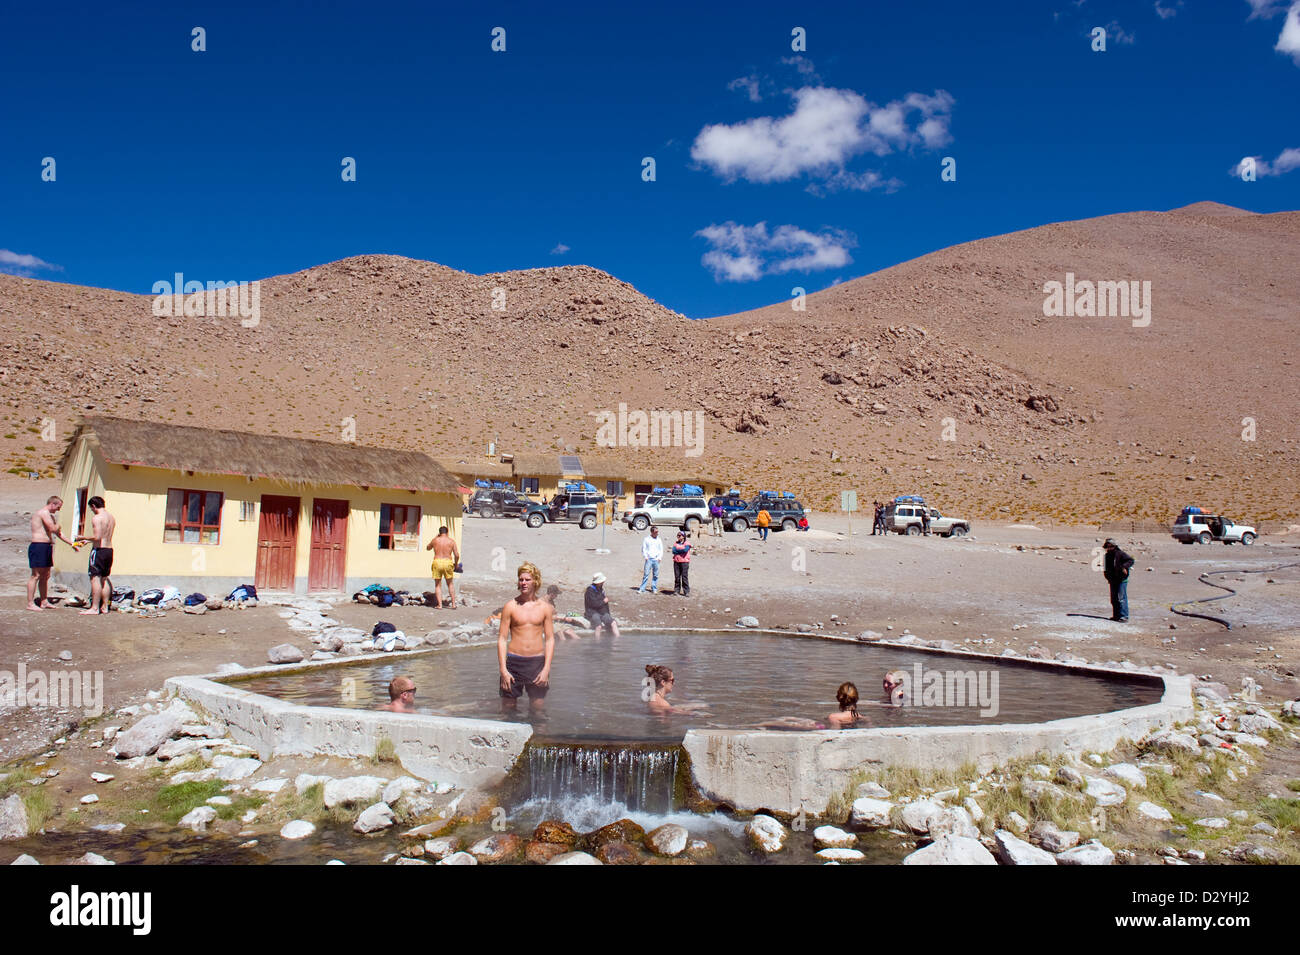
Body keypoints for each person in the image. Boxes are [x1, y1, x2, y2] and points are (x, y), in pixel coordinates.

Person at [498, 561, 555, 710]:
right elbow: (502, 639)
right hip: (513, 663)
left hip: (536, 663)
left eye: (527, 579)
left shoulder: (545, 608)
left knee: (538, 713)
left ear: (535, 581)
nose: (523, 583)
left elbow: (549, 639)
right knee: (508, 712)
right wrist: (503, 670)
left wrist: (546, 670)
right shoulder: (510, 606)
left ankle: (538, 735)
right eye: (521, 579)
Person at [27, 495, 75, 611]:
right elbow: (54, 529)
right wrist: (58, 525)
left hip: (47, 546)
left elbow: (58, 533)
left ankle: (44, 601)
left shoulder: (50, 516)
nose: (58, 510)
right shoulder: (43, 513)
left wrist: (72, 543)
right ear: (53, 504)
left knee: (45, 576)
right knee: (36, 575)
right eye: (58, 507)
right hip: (38, 546)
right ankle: (30, 603)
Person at [77, 496, 115, 615]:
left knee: (95, 579)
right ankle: (105, 607)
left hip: (99, 551)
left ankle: (94, 608)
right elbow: (103, 537)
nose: (92, 510)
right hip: (109, 550)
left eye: (91, 508)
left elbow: (97, 537)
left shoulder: (97, 518)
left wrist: (83, 537)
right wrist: (89, 541)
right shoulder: (111, 517)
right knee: (104, 578)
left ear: (93, 506)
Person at [643, 664, 708, 715]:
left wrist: (695, 706)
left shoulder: (652, 697)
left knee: (699, 705)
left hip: (654, 728)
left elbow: (672, 709)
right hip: (660, 730)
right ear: (663, 682)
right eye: (672, 680)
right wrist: (697, 714)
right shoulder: (661, 703)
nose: (674, 683)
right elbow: (675, 711)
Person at [425, 525, 460, 608]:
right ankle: (453, 604)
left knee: (437, 584)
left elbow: (428, 548)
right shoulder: (451, 541)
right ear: (447, 533)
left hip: (437, 561)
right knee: (450, 584)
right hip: (448, 561)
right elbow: (457, 554)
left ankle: (440, 605)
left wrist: (435, 537)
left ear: (439, 533)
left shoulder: (435, 540)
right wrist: (456, 563)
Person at [1103, 538, 1134, 622]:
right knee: (1114, 599)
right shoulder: (1107, 556)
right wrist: (1107, 576)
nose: (1109, 548)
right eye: (1108, 546)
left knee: (1121, 598)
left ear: (1114, 546)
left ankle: (1124, 616)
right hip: (1112, 580)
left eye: (1111, 546)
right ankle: (1116, 616)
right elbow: (1106, 567)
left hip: (1121, 579)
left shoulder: (1120, 554)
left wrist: (1124, 567)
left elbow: (1130, 560)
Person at [584, 572, 620, 637]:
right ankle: (597, 643)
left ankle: (618, 640)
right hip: (592, 613)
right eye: (602, 582)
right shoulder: (590, 591)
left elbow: (605, 605)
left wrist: (608, 614)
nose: (603, 583)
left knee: (613, 623)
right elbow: (593, 604)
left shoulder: (601, 589)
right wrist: (603, 601)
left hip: (602, 612)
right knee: (599, 626)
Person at [639, 526, 663, 593]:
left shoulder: (659, 539)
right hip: (649, 559)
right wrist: (645, 556)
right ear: (652, 532)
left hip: (656, 559)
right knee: (646, 574)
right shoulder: (646, 539)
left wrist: (659, 558)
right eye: (656, 532)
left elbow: (661, 549)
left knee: (655, 575)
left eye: (657, 532)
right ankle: (642, 588)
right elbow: (644, 548)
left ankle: (654, 588)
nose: (657, 533)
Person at [671, 530, 691, 596]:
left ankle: (686, 591)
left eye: (680, 535)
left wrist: (678, 551)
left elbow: (685, 550)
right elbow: (673, 551)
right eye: (678, 535)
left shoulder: (687, 543)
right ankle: (676, 591)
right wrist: (680, 551)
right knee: (677, 577)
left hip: (684, 562)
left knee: (684, 577)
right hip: (676, 562)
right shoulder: (676, 543)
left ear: (683, 536)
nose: (678, 537)